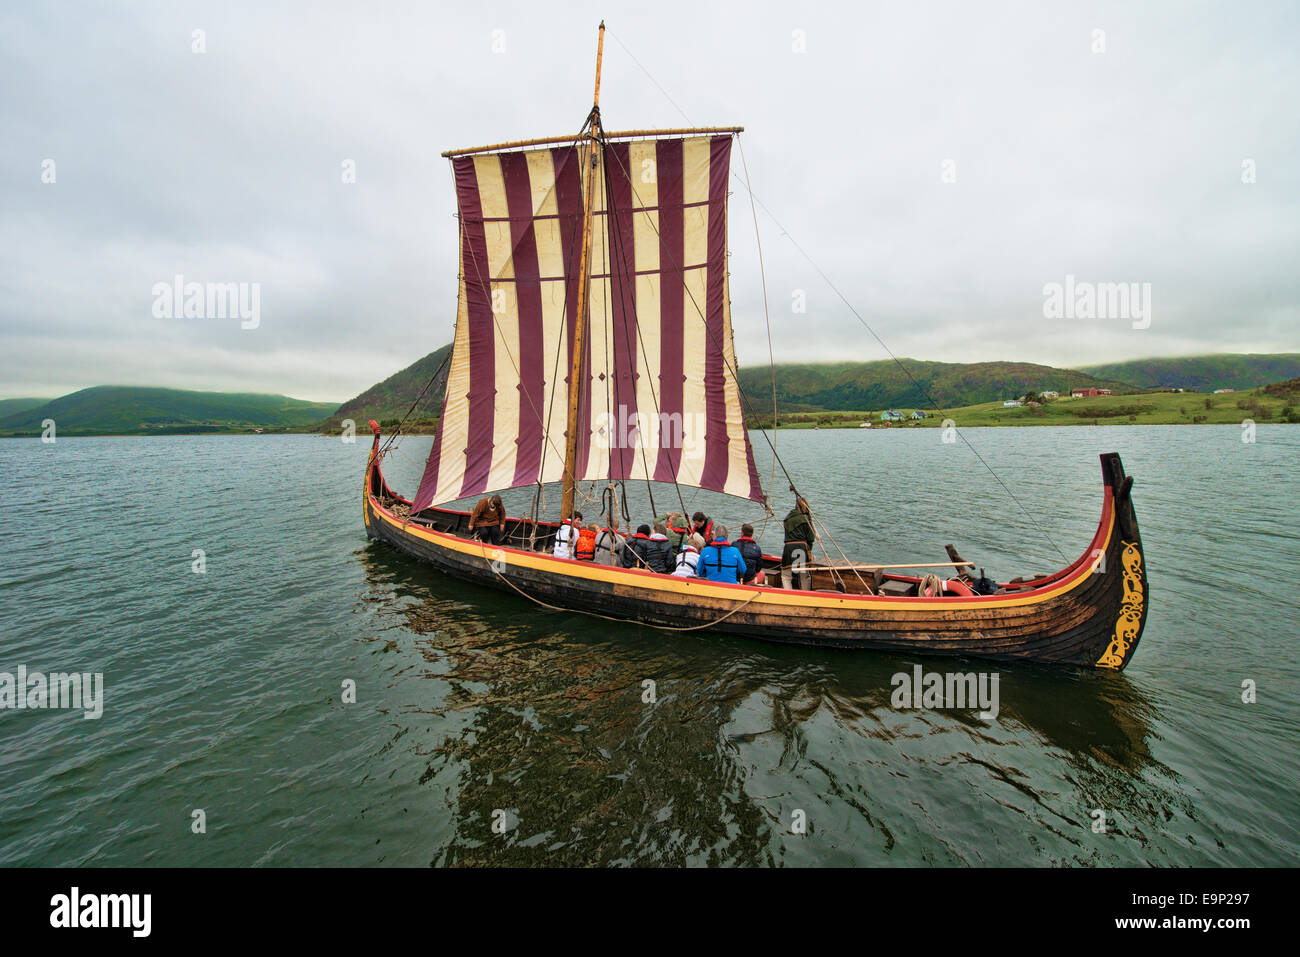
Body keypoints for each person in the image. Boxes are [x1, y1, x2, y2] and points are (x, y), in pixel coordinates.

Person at [781, 497, 816, 590]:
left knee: (786, 575)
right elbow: (811, 538)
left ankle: (788, 595)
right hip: (801, 548)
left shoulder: (787, 518)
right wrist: (809, 549)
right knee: (804, 575)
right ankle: (805, 594)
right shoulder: (806, 519)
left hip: (788, 548)